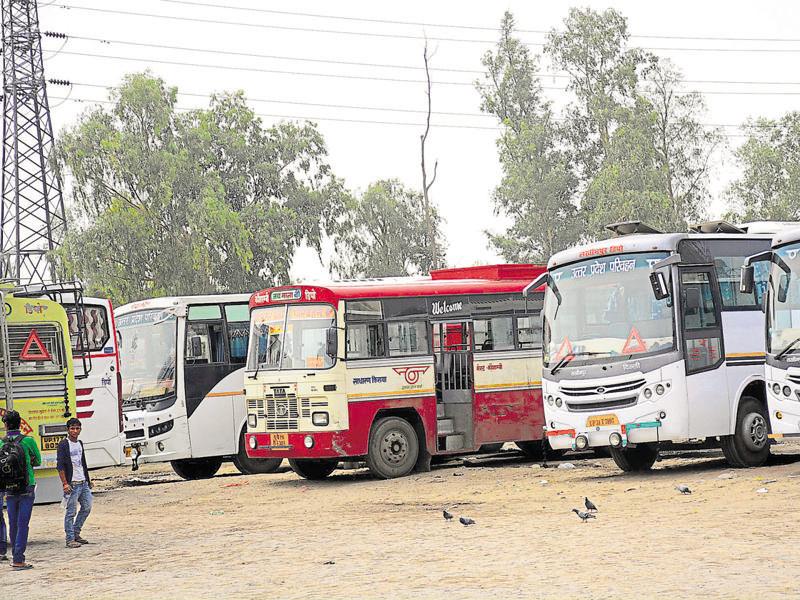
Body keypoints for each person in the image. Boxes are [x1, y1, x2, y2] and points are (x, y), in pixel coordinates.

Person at [0, 409, 40, 570]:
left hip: (8, 488)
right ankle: (18, 558)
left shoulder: (2, 443)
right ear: (20, 422)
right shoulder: (28, 441)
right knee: (23, 523)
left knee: (13, 522)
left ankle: (16, 557)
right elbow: (37, 460)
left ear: (6, 425)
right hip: (26, 485)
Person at [57, 418, 92, 549]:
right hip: (72, 483)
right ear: (68, 429)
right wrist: (65, 483)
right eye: (72, 428)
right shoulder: (63, 444)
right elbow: (60, 466)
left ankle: (76, 532)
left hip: (83, 482)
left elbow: (83, 463)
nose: (75, 431)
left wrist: (88, 480)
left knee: (87, 507)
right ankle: (70, 538)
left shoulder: (80, 443)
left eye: (77, 428)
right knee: (71, 512)